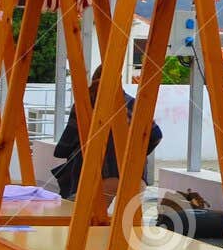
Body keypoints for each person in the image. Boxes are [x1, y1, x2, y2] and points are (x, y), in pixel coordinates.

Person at [50, 64, 162, 199]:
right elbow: (156, 135)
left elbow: (63, 149)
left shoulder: (86, 105)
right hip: (136, 181)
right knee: (126, 218)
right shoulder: (135, 105)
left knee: (71, 211)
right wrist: (135, 151)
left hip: (98, 181)